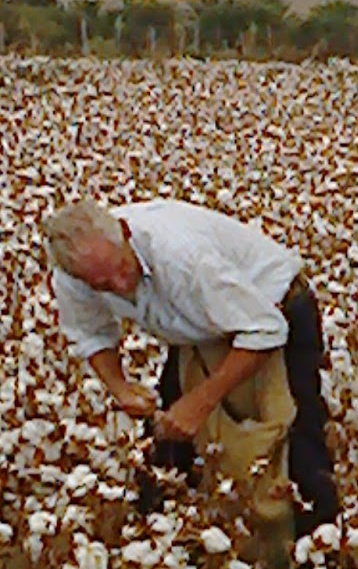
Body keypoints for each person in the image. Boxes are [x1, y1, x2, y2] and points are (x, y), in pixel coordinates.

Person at [42, 199, 339, 535]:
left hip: (274, 312)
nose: (121, 286)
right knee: (168, 442)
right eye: (103, 285)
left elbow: (265, 329)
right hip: (200, 330)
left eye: (122, 269)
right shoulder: (75, 275)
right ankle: (162, 539)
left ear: (125, 234)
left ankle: (317, 551)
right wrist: (120, 388)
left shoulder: (181, 257)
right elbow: (91, 332)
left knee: (295, 444)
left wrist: (201, 401)